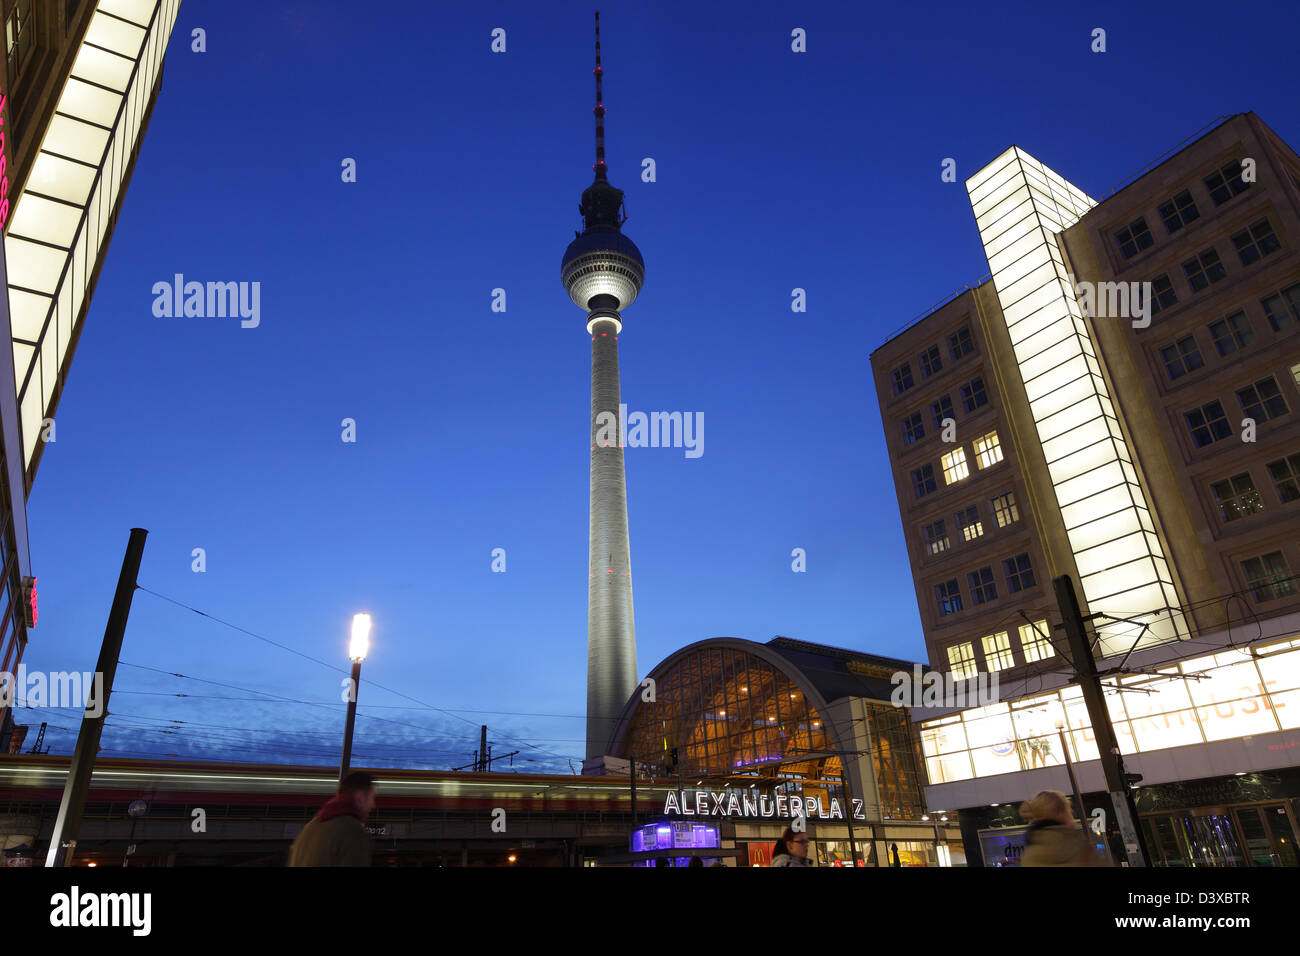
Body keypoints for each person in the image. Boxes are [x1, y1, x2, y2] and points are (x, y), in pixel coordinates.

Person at [287, 771, 377, 866]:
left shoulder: (309, 827)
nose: (373, 805)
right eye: (372, 798)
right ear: (361, 797)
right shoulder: (352, 830)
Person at [1018, 789, 1108, 867]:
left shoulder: (1028, 857)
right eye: (1070, 812)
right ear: (1061, 813)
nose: (1072, 819)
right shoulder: (1078, 850)